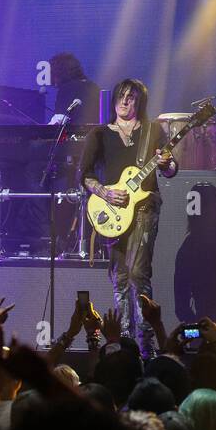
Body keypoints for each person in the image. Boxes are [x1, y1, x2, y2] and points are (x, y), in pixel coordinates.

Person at [79, 78, 176, 355]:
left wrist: (168, 163)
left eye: (131, 97)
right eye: (121, 96)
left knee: (137, 274)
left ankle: (147, 348)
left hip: (144, 209)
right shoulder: (99, 134)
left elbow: (170, 169)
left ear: (139, 102)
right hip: (112, 212)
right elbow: (83, 175)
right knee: (120, 276)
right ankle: (123, 344)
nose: (124, 101)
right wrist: (105, 194)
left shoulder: (152, 131)